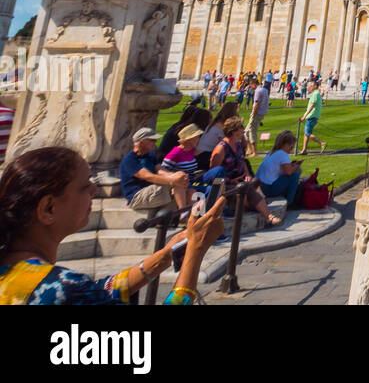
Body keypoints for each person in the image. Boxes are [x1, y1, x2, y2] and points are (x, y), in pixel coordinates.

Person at [0, 146, 227, 305]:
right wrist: (195, 251)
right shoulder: (63, 289)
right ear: (48, 208)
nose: (95, 191)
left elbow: (99, 293)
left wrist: (165, 255)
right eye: (85, 186)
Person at [208, 117, 282, 225]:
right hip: (227, 182)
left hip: (240, 179)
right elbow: (214, 172)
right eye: (240, 128)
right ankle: (269, 216)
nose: (242, 130)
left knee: (252, 183)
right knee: (247, 190)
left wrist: (247, 174)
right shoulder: (221, 149)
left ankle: (268, 216)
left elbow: (242, 162)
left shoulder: (237, 145)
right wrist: (230, 180)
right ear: (233, 131)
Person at [120, 126, 192, 214]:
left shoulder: (151, 155)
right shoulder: (130, 159)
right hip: (137, 196)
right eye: (152, 140)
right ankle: (183, 214)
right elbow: (149, 177)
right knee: (177, 183)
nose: (155, 142)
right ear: (141, 142)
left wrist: (177, 175)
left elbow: (161, 171)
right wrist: (172, 180)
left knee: (185, 184)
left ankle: (188, 216)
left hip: (152, 191)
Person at [256, 131, 303, 204]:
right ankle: (290, 202)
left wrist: (292, 165)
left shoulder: (273, 152)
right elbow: (289, 172)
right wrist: (297, 166)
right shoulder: (283, 154)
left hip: (261, 186)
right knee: (295, 175)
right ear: (286, 144)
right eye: (291, 146)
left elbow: (280, 168)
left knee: (293, 174)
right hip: (268, 189)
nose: (291, 149)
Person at [299, 80, 326, 153]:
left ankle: (322, 143)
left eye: (311, 85)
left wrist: (304, 116)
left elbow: (312, 105)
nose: (310, 87)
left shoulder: (315, 94)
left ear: (315, 86)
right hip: (314, 115)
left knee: (307, 133)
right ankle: (304, 150)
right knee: (306, 133)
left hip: (312, 116)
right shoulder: (317, 94)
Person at [248, 77, 271, 156]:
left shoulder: (258, 91)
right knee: (246, 132)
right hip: (262, 112)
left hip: (257, 113)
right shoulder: (265, 90)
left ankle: (254, 151)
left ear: (254, 84)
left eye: (251, 85)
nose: (250, 87)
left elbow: (257, 103)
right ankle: (249, 150)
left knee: (252, 131)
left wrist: (253, 113)